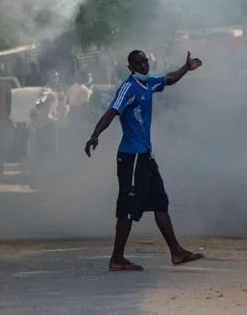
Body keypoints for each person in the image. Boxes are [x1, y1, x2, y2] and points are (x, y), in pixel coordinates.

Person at [84, 49, 205, 272]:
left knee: (160, 202)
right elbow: (111, 112)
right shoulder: (128, 88)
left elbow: (169, 79)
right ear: (131, 67)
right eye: (138, 64)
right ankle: (117, 258)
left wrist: (186, 68)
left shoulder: (148, 83)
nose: (143, 66)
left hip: (146, 156)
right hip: (131, 157)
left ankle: (176, 252)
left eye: (145, 62)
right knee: (127, 208)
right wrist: (95, 135)